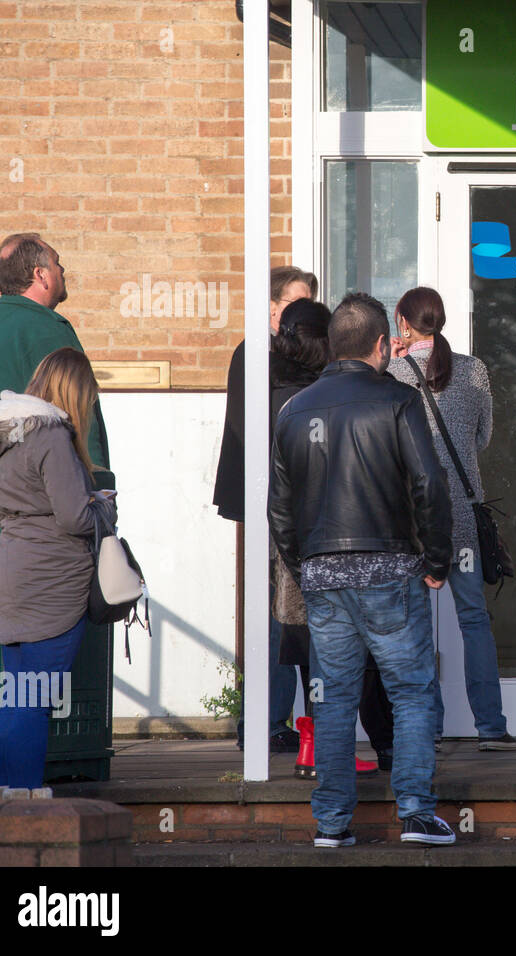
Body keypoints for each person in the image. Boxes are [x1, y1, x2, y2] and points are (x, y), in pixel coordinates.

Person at [269, 292, 455, 847]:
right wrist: (437, 561)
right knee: (413, 693)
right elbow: (430, 484)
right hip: (392, 569)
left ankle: (330, 823)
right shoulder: (398, 400)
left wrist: (304, 569)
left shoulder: (295, 409)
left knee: (332, 699)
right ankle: (417, 814)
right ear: (381, 345)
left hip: (323, 577)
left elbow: (280, 507)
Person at [0, 348, 116, 794]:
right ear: (74, 391)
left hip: (13, 570)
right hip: (54, 579)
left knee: (18, 695)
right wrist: (102, 507)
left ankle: (8, 797)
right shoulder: (50, 434)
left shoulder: (3, 433)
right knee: (33, 698)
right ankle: (26, 801)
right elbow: (73, 517)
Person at [388, 286, 516, 752]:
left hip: (412, 521)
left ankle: (429, 730)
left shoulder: (390, 376)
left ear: (403, 323)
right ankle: (491, 728)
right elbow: (482, 438)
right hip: (462, 515)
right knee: (474, 621)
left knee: (416, 626)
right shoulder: (473, 370)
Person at [213, 265, 317, 754]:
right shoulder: (259, 355)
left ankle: (284, 720)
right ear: (274, 308)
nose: (301, 314)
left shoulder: (290, 356)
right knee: (277, 615)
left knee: (292, 613)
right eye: (295, 304)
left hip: (289, 504)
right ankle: (267, 720)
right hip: (271, 504)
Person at [0, 234, 109, 470]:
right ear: (40, 275)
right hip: (36, 497)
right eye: (57, 262)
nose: (62, 270)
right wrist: (99, 485)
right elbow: (80, 414)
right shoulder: (47, 329)